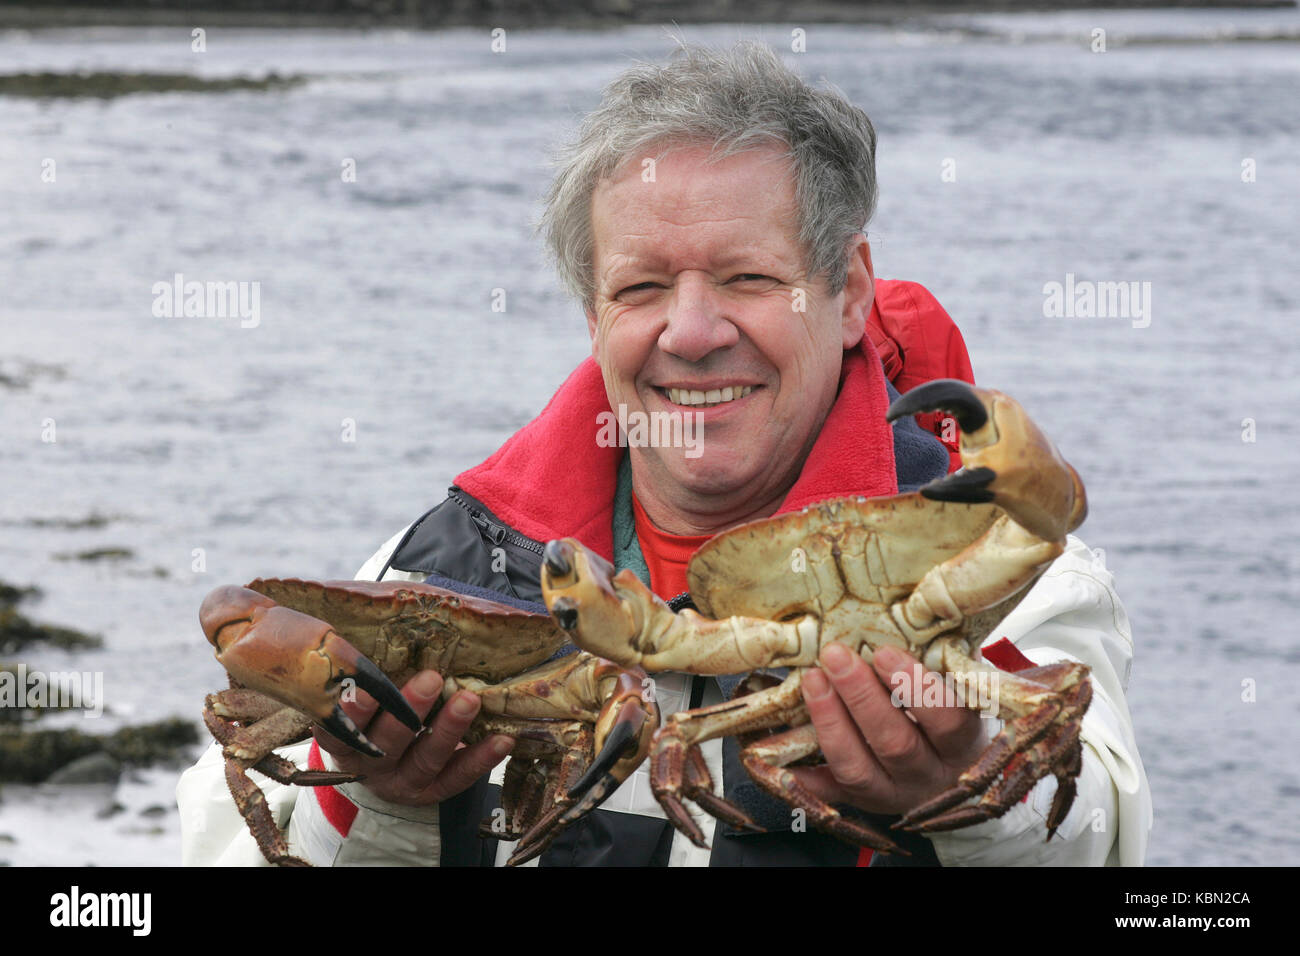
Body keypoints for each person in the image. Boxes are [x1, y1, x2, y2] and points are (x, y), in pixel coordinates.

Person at [179, 41, 1151, 867]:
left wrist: (981, 801)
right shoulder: (442, 559)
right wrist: (379, 805)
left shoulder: (1000, 557)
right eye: (642, 286)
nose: (691, 332)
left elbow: (1111, 842)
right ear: (593, 310)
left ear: (851, 289)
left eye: (748, 276)